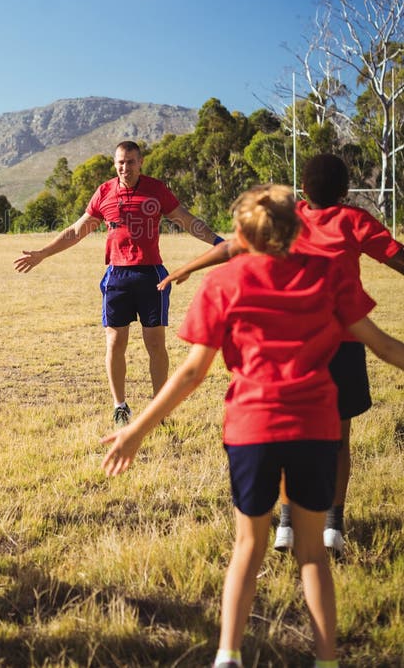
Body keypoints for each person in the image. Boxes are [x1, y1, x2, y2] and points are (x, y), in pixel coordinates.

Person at [102, 183, 404, 668]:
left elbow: (191, 373)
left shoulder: (225, 283)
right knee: (312, 554)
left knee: (248, 545)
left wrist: (135, 430)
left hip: (252, 430)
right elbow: (385, 347)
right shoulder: (328, 275)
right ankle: (327, 658)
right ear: (297, 228)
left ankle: (228, 655)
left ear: (242, 232)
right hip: (316, 429)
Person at [158, 153, 404, 556]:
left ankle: (287, 523)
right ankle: (332, 527)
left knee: (291, 435)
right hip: (344, 340)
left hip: (294, 344)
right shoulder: (355, 220)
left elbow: (233, 248)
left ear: (303, 189)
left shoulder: (289, 216)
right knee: (337, 440)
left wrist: (186, 268)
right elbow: (396, 258)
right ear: (344, 192)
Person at [14, 140, 223, 426]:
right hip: (117, 276)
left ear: (141, 163)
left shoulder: (156, 190)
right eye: (120, 162)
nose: (125, 167)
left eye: (131, 162)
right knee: (114, 342)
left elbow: (186, 220)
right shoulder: (104, 192)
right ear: (115, 164)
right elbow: (76, 231)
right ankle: (120, 406)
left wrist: (219, 243)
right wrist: (42, 254)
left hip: (151, 275)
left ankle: (158, 409)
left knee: (155, 344)